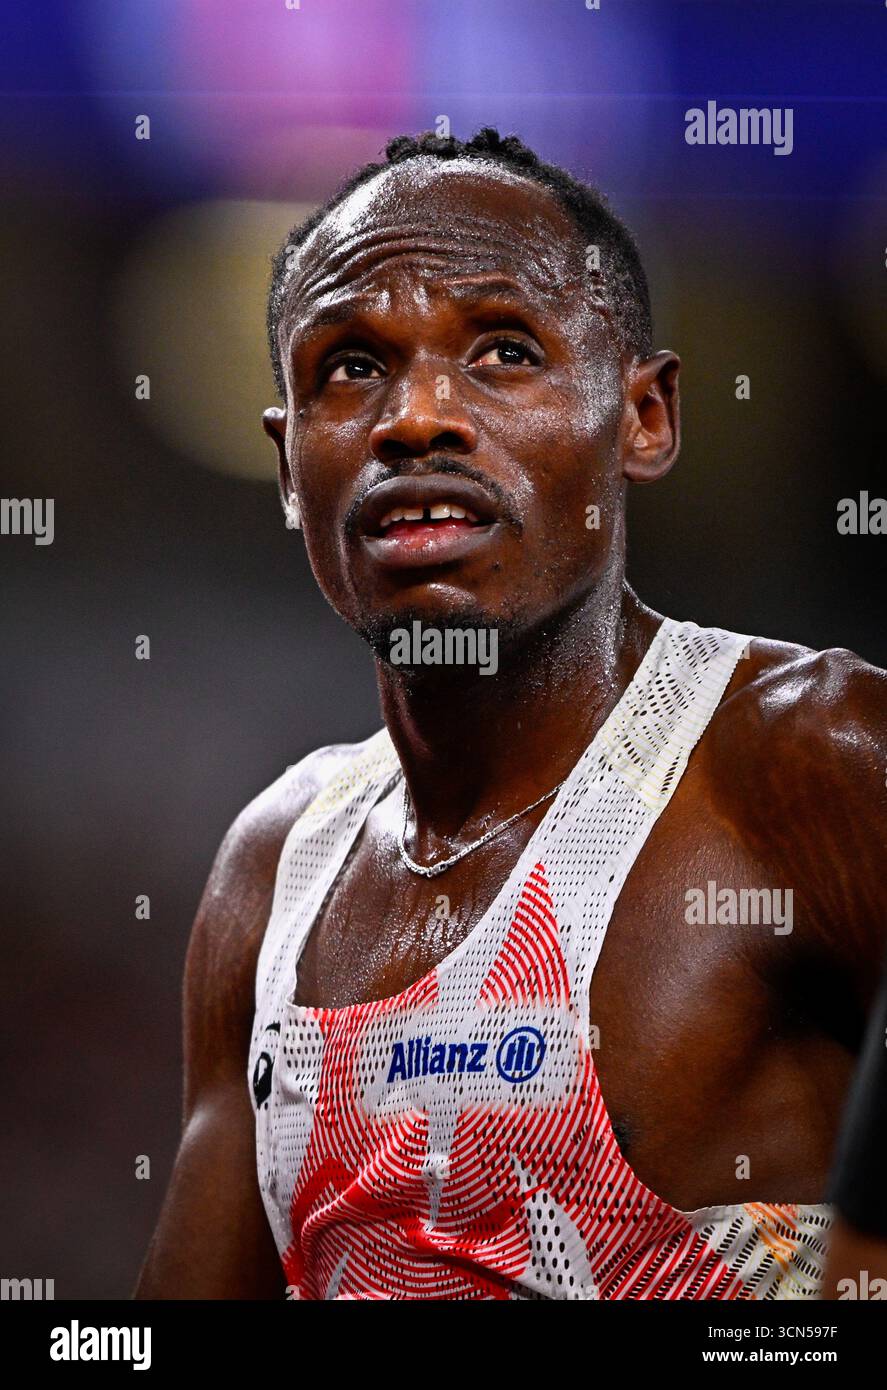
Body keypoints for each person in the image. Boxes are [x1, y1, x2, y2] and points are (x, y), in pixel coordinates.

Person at [135, 129, 886, 1300]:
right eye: (348, 367)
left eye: (499, 350)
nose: (414, 418)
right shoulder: (272, 874)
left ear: (642, 416)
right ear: (290, 468)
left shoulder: (805, 758)